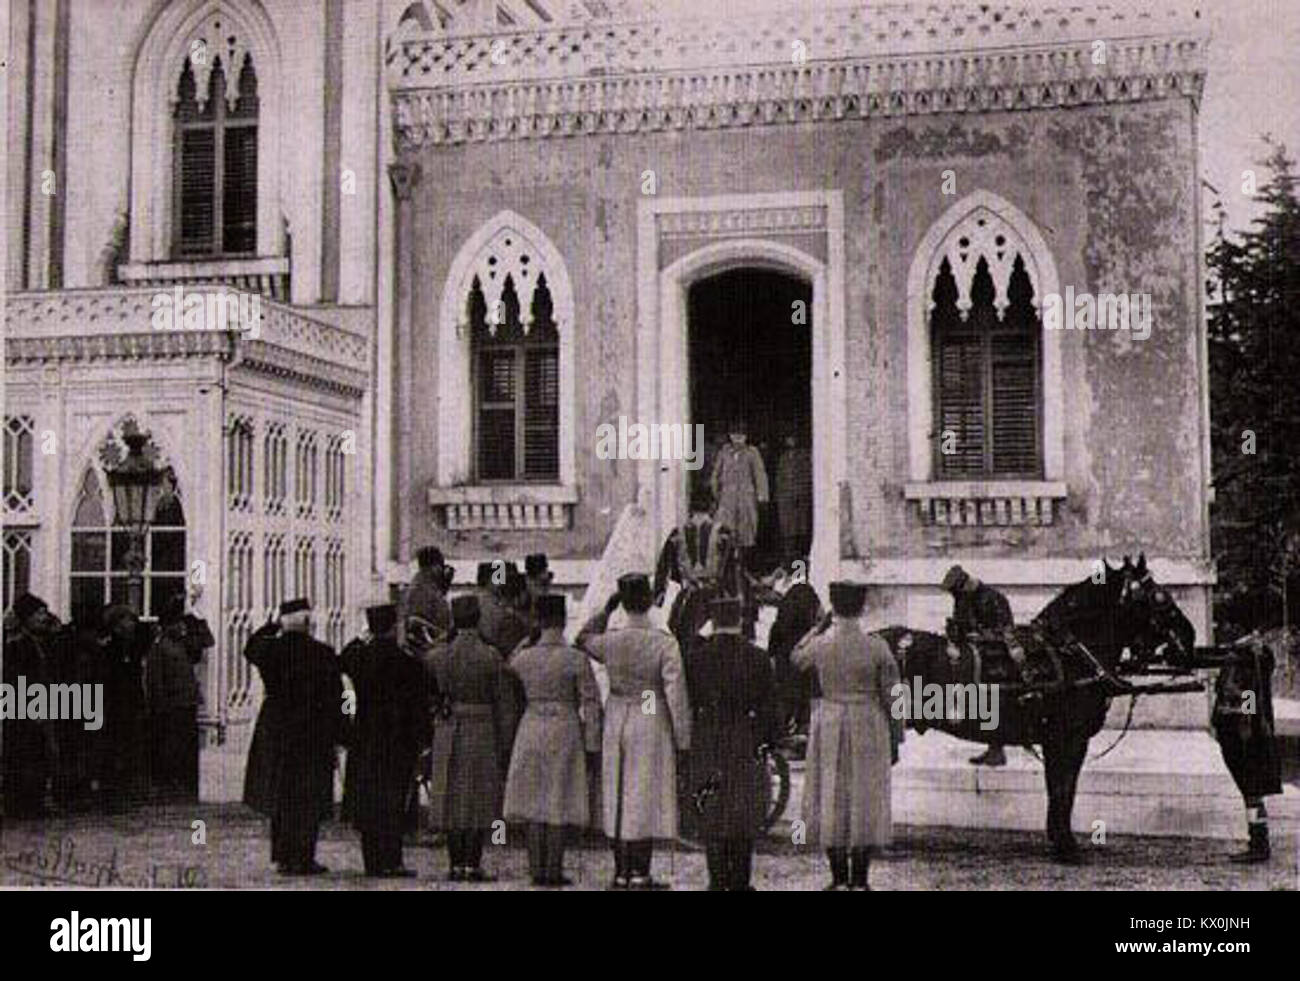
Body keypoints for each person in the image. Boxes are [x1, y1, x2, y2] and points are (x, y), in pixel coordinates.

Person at [576, 572, 691, 890]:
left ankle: (620, 870)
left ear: (624, 604)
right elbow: (675, 694)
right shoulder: (663, 643)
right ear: (652, 601)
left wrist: (607, 608)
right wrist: (683, 738)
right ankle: (639, 871)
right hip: (649, 710)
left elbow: (582, 638)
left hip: (617, 712)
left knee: (617, 791)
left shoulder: (611, 640)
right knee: (644, 794)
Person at [793, 581, 899, 890]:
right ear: (862, 606)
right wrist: (896, 736)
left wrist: (817, 628)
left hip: (830, 721)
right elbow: (894, 696)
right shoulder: (877, 646)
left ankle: (838, 878)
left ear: (833, 606)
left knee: (831, 796)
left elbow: (796, 658)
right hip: (868, 722)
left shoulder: (821, 643)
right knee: (864, 798)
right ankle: (860, 880)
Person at [503, 594, 602, 886]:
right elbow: (591, 703)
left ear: (538, 621)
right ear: (562, 621)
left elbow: (507, 670)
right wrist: (593, 743)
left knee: (534, 801)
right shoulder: (575, 658)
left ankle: (536, 869)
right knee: (559, 798)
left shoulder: (524, 658)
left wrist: (527, 640)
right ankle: (553, 869)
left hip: (531, 725)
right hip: (565, 727)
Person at [242, 598, 345, 875]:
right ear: (308, 623)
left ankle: (284, 855)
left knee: (282, 795)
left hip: (277, 728)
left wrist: (271, 624)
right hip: (312, 730)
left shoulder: (270, 650)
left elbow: (250, 647)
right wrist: (341, 731)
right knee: (308, 797)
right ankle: (304, 856)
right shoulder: (323, 653)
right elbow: (336, 697)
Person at [682, 595, 777, 891]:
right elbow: (771, 709)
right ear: (739, 620)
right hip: (743, 737)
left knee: (712, 809)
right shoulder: (758, 658)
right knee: (743, 812)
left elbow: (685, 702)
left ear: (713, 621)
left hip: (708, 736)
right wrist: (766, 742)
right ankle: (740, 882)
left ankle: (717, 879)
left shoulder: (695, 658)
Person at [427, 595, 514, 882]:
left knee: (450, 795)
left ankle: (454, 862)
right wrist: (505, 741)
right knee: (477, 795)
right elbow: (503, 702)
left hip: (448, 726)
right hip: (481, 726)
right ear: (477, 618)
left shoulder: (438, 655)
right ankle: (472, 863)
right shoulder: (490, 656)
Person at [341, 604, 430, 877]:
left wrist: (361, 637)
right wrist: (423, 740)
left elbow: (343, 658)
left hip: (366, 734)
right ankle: (392, 859)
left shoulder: (361, 657)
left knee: (369, 799)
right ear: (394, 628)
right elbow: (419, 703)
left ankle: (372, 861)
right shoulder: (408, 662)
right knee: (393, 800)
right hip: (397, 736)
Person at [1212, 636, 1283, 863]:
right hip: (1241, 734)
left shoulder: (1250, 666)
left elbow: (1250, 701)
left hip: (1245, 737)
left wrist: (1243, 724)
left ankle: (1259, 844)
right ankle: (1258, 842)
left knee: (1252, 793)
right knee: (1251, 793)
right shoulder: (1251, 661)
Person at [941, 564, 1017, 767]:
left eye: (956, 591)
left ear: (965, 584)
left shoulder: (993, 598)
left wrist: (981, 635)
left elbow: (1007, 630)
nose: (955, 597)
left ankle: (996, 748)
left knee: (991, 697)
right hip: (970, 654)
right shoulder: (963, 598)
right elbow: (960, 623)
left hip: (994, 657)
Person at [2, 593, 60, 817]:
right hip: (24, 709)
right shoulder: (19, 646)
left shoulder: (41, 643)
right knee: (24, 755)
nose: (43, 617)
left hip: (40, 704)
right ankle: (21, 802)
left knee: (39, 755)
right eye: (38, 613)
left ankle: (33, 800)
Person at [145, 595, 202, 802]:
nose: (181, 627)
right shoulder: (160, 647)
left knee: (185, 747)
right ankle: (169, 787)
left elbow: (205, 642)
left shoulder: (182, 645)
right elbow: (156, 679)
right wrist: (159, 706)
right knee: (172, 749)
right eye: (176, 623)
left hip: (186, 703)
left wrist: (195, 620)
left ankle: (183, 787)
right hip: (172, 706)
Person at [101, 604, 151, 809]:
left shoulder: (132, 647)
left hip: (130, 705)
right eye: (127, 620)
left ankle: (126, 793)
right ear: (116, 625)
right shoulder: (110, 649)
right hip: (113, 707)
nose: (132, 624)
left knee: (131, 752)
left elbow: (144, 634)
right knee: (115, 753)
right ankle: (113, 796)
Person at [767, 566, 823, 739]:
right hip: (807, 649)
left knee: (786, 697)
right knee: (805, 695)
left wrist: (772, 651)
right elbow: (820, 618)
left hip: (786, 654)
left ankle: (784, 733)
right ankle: (804, 729)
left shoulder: (789, 597)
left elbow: (778, 629)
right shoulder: (811, 594)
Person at [710, 420, 769, 575]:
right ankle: (726, 570)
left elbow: (760, 475)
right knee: (725, 534)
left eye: (741, 436)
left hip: (746, 500)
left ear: (746, 437)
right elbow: (715, 475)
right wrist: (717, 495)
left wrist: (761, 497)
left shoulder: (752, 452)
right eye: (734, 435)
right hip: (727, 501)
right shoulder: (724, 452)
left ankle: (744, 569)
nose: (737, 439)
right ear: (730, 436)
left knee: (746, 534)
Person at [401, 546, 453, 643]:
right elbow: (419, 621)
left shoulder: (428, 585)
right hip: (429, 643)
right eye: (440, 566)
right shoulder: (422, 588)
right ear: (434, 567)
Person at [774, 433, 813, 566]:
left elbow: (807, 476)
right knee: (787, 528)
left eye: (792, 438)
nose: (790, 441)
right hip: (786, 498)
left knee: (800, 527)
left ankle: (800, 558)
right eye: (788, 438)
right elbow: (779, 478)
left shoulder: (804, 456)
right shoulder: (784, 458)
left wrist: (803, 493)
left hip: (800, 497)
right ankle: (788, 556)